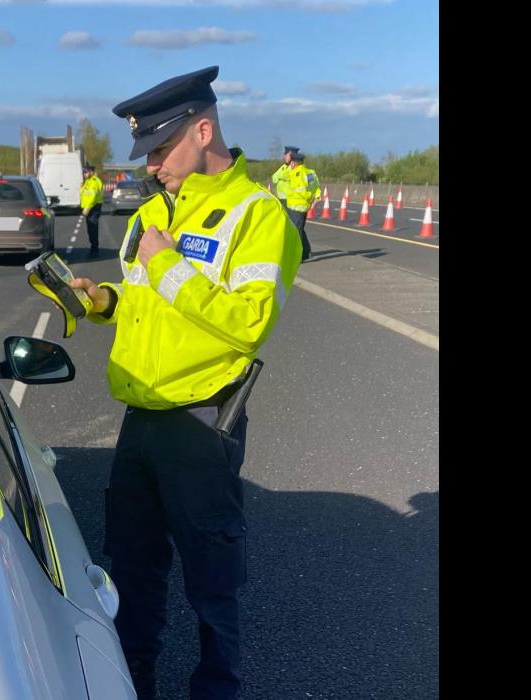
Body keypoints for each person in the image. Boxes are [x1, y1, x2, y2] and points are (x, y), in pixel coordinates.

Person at [68, 66, 302, 700]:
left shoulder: (258, 214)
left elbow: (248, 323)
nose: (151, 165)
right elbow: (141, 301)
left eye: (161, 149)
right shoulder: (150, 213)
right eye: (145, 152)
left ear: (204, 130)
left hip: (202, 421)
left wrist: (168, 261)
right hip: (141, 418)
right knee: (133, 568)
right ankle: (133, 682)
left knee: (211, 577)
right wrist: (97, 300)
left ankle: (217, 688)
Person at [286, 151, 321, 261]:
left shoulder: (297, 174)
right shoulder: (310, 173)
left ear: (294, 163)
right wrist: (315, 197)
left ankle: (298, 256)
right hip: (304, 206)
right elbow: (315, 187)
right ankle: (306, 252)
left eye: (291, 162)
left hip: (296, 206)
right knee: (300, 229)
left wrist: (308, 197)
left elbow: (300, 189)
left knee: (296, 232)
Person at [80, 164, 105, 257]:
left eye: (86, 172)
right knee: (90, 229)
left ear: (91, 172)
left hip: (93, 208)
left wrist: (87, 208)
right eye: (84, 172)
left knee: (93, 229)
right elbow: (84, 193)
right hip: (90, 207)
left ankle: (94, 250)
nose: (84, 174)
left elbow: (93, 197)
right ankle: (93, 249)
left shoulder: (94, 181)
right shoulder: (88, 181)